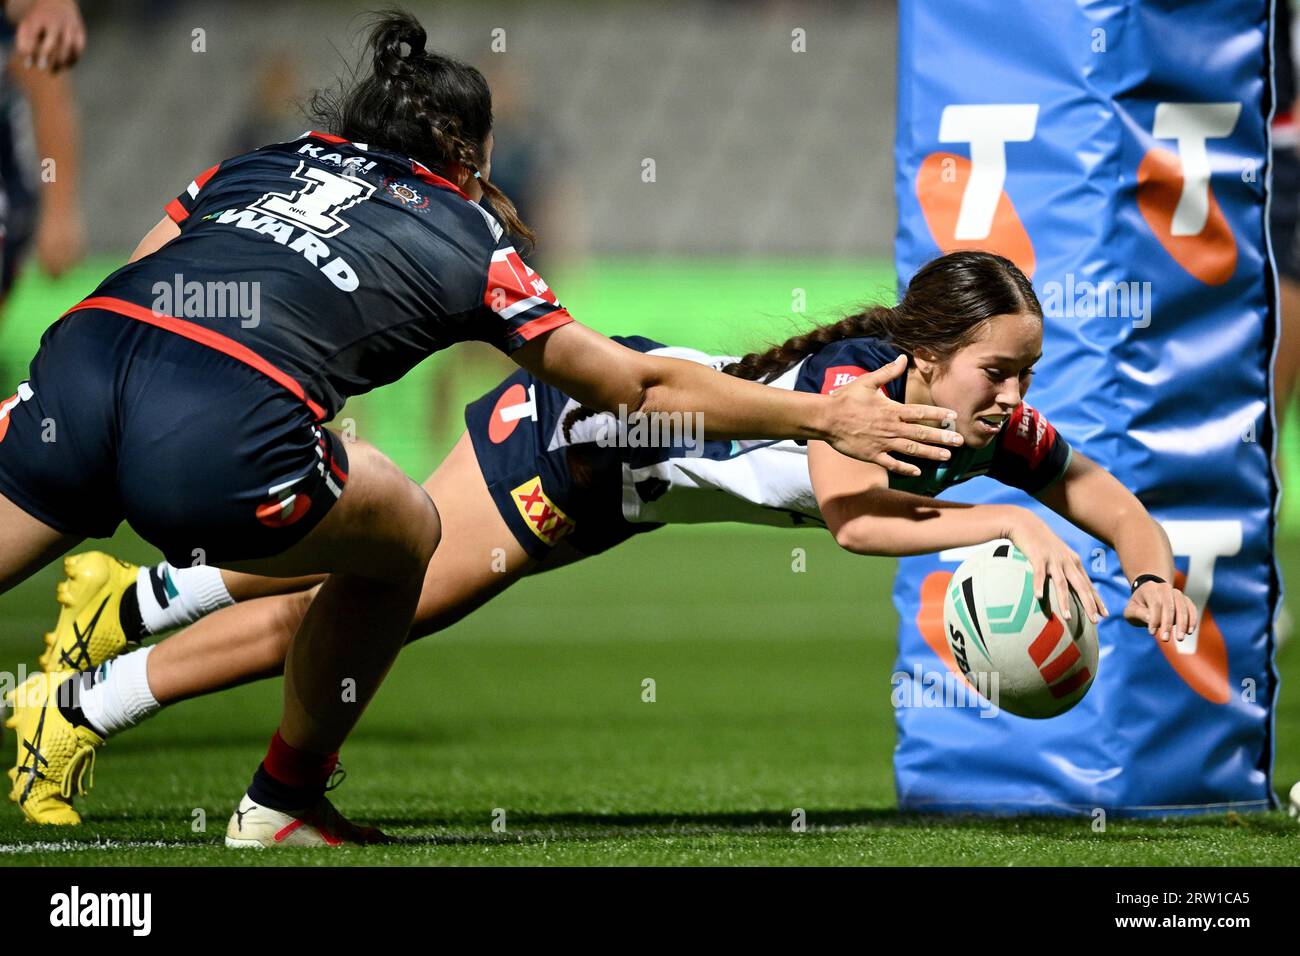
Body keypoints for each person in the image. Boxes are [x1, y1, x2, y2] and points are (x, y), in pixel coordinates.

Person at [0, 11, 961, 848]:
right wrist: (820, 412)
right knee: (404, 529)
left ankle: (139, 613)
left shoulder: (257, 162)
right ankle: (281, 797)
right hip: (223, 427)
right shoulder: (467, 234)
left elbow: (143, 269)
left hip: (83, 359)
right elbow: (630, 383)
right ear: (468, 156)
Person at [12, 251, 1200, 838]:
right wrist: (1007, 519)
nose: (1015, 392)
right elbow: (854, 522)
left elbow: (1095, 485)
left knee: (357, 585)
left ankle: (127, 601)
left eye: (1027, 372)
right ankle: (79, 705)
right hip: (576, 444)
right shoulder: (862, 386)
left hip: (613, 485)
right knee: (369, 608)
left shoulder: (978, 420)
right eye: (1001, 367)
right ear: (930, 354)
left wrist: (1146, 575)